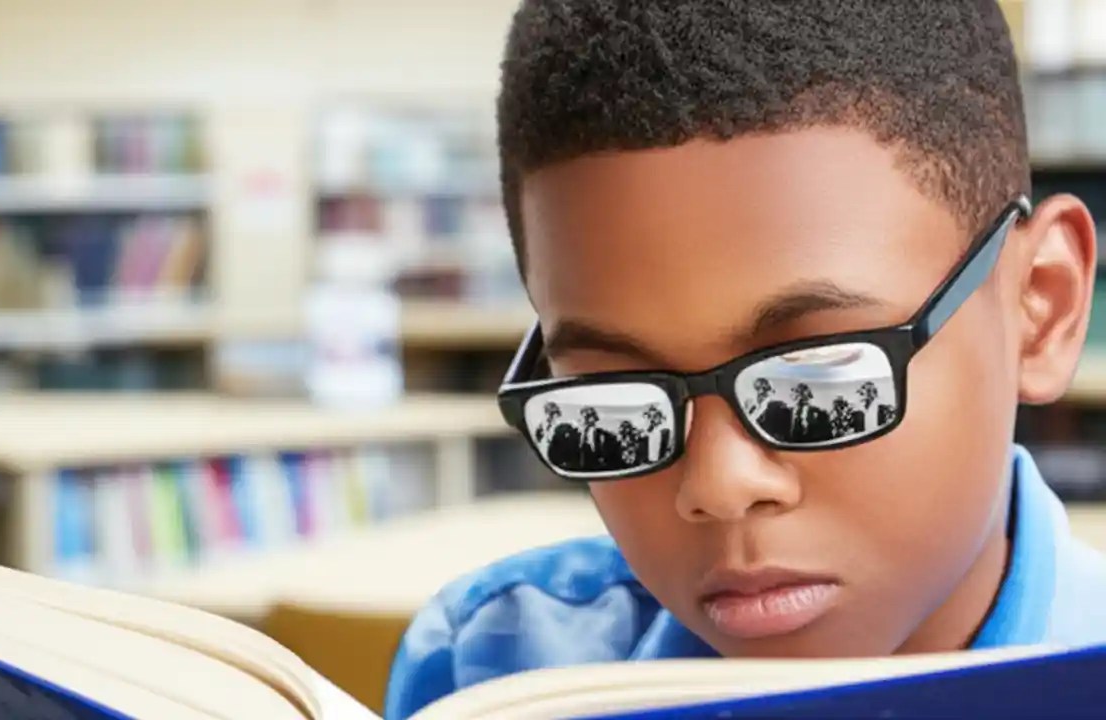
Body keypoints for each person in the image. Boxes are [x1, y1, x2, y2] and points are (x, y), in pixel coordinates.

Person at [385, 3, 1104, 718]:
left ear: (1041, 306)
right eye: (609, 406)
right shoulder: (489, 668)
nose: (718, 485)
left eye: (818, 383)